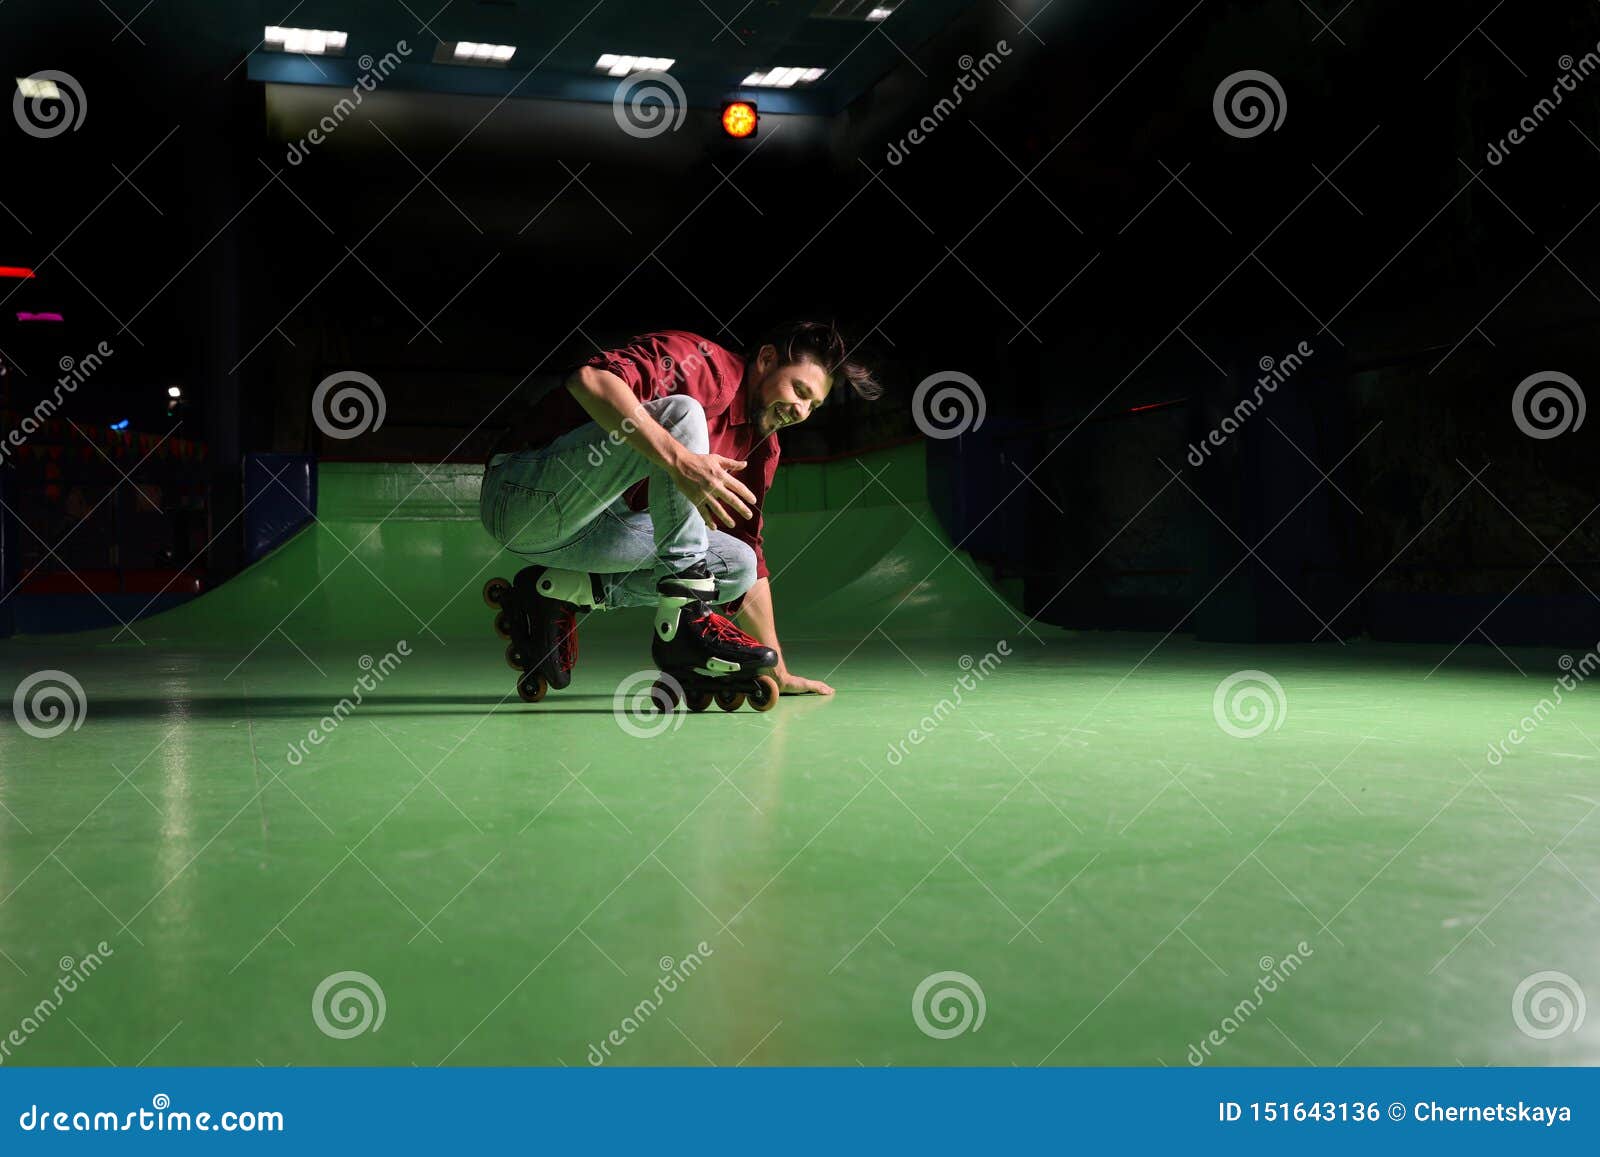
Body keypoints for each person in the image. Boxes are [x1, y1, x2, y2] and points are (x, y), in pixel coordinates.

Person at [479, 321, 880, 701]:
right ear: (767, 359)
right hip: (526, 500)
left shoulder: (762, 447)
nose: (801, 411)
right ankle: (685, 623)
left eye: (814, 405)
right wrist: (681, 460)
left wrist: (779, 671)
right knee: (684, 415)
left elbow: (749, 554)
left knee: (737, 562)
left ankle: (557, 591)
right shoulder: (701, 362)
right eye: (799, 390)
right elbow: (589, 380)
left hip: (592, 536)